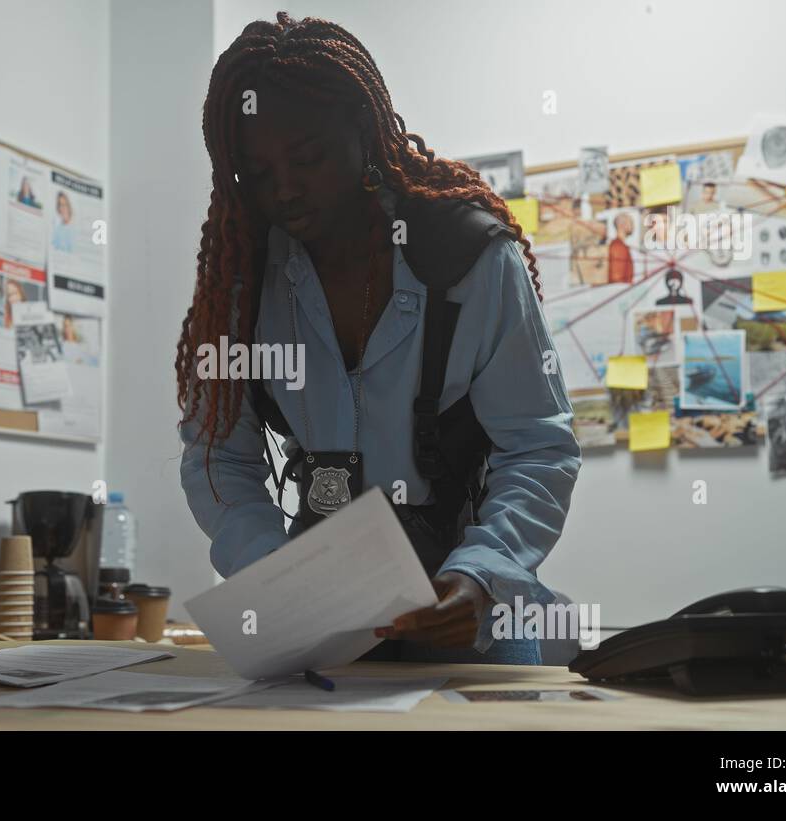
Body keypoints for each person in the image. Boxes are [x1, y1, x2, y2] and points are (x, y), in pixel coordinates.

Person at [175, 13, 581, 664]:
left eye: (307, 158)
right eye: (259, 169)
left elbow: (538, 446)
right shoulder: (242, 275)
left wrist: (483, 574)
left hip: (469, 618)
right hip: (321, 625)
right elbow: (217, 456)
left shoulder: (470, 257)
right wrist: (272, 571)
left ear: (364, 132)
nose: (284, 188)